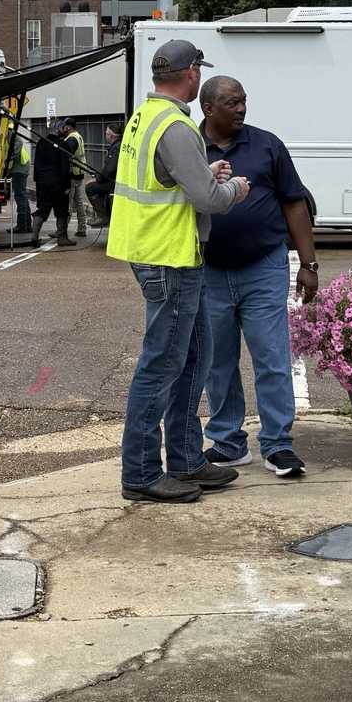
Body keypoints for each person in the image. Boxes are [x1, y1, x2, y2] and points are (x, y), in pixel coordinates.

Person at [107, 39, 249, 503]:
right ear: (191, 74)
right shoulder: (176, 126)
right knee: (162, 365)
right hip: (169, 257)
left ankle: (187, 460)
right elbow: (208, 200)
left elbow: (171, 180)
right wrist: (235, 188)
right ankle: (141, 473)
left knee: (193, 357)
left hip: (160, 253)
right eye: (198, 72)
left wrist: (207, 173)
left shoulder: (145, 117)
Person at [195, 76, 317, 480]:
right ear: (208, 108)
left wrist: (309, 264)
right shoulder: (190, 147)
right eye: (232, 103)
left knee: (272, 358)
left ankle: (278, 445)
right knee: (218, 363)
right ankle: (228, 444)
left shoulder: (267, 145)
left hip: (263, 267)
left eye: (243, 101)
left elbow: (294, 203)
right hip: (208, 271)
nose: (242, 109)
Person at [32, 118, 78, 247]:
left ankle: (34, 236)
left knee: (42, 209)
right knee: (61, 210)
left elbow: (36, 164)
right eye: (63, 128)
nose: (65, 130)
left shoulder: (41, 142)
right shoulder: (63, 145)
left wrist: (37, 180)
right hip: (58, 183)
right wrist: (67, 185)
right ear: (59, 129)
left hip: (42, 182)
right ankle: (62, 238)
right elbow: (65, 168)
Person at [85, 125, 119, 226]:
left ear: (111, 136)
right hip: (113, 180)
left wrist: (98, 179)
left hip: (114, 182)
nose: (105, 136)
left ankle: (103, 217)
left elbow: (110, 169)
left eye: (106, 134)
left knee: (90, 188)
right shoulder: (116, 146)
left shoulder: (116, 148)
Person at [63, 118, 90, 239]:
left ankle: (62, 230)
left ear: (68, 127)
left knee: (67, 202)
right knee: (79, 203)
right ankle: (82, 228)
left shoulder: (72, 139)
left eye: (64, 126)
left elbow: (66, 154)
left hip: (72, 174)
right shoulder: (78, 136)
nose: (63, 128)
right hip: (79, 173)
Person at [9, 125, 33, 234]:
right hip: (20, 168)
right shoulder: (11, 134)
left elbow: (18, 145)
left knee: (20, 196)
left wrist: (7, 159)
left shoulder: (11, 135)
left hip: (19, 169)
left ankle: (22, 225)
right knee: (22, 196)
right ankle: (27, 225)